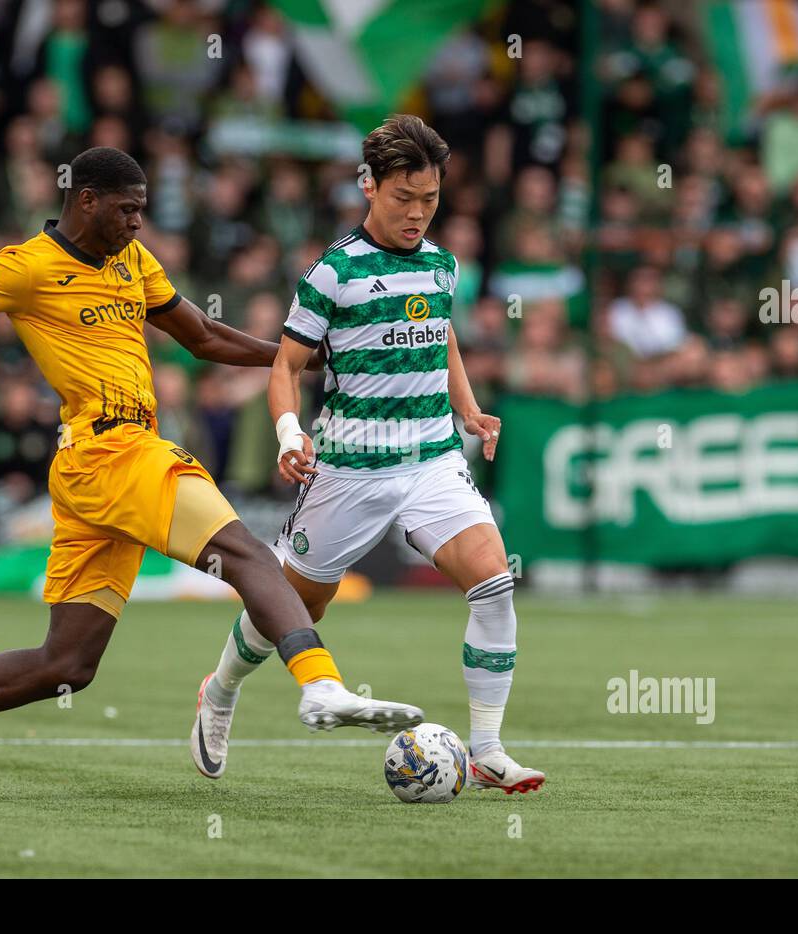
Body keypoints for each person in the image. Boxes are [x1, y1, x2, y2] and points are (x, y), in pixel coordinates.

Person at [0, 146, 423, 798]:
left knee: (65, 665)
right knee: (247, 552)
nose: (138, 223)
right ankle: (320, 685)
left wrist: (301, 359)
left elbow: (202, 335)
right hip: (111, 451)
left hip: (100, 468)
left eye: (143, 211)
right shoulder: (28, 267)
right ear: (85, 200)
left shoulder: (131, 261)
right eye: (128, 209)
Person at [190, 117, 544, 793]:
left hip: (431, 459)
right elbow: (285, 365)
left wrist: (466, 408)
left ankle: (488, 750)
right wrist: (291, 434)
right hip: (349, 467)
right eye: (403, 198)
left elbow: (442, 339)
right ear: (370, 187)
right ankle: (220, 689)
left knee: (494, 583)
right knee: (293, 610)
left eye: (430, 200)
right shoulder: (333, 272)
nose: (417, 213)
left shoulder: (443, 264)